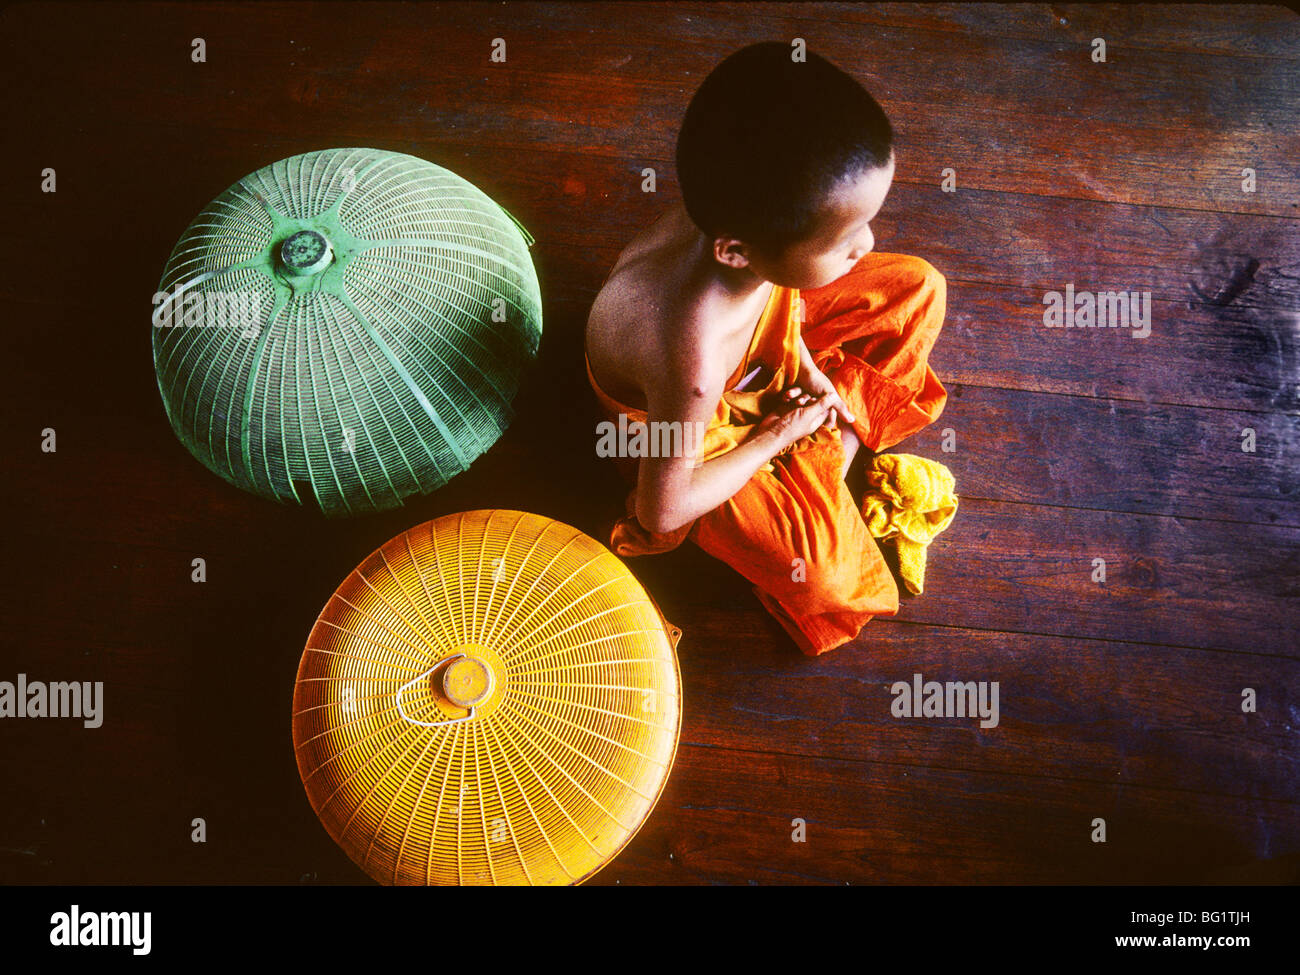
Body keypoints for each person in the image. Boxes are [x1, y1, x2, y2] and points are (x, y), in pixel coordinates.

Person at [584, 41, 948, 656]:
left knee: (916, 287)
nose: (868, 243)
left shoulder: (732, 212)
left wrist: (805, 367)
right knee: (829, 578)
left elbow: (784, 304)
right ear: (735, 250)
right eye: (844, 240)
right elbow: (661, 512)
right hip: (690, 436)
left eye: (864, 223)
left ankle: (824, 448)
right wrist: (775, 437)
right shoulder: (691, 359)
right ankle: (821, 454)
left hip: (753, 357)